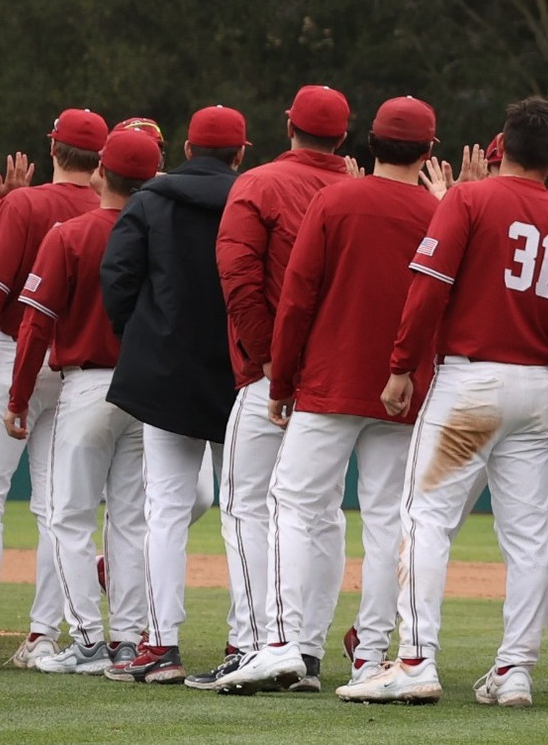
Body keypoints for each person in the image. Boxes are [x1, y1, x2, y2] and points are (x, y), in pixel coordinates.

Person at [338, 96, 548, 708]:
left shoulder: (469, 199)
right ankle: (515, 669)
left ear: (503, 143)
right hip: (537, 386)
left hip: (470, 382)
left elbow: (428, 288)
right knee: (529, 537)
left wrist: (398, 366)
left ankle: (415, 659)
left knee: (426, 520)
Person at [213, 97, 439, 695]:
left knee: (293, 504)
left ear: (369, 141)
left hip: (329, 380)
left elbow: (297, 297)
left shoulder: (335, 200)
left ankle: (285, 644)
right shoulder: (438, 211)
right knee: (389, 520)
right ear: (429, 150)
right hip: (404, 390)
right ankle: (369, 658)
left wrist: (280, 379)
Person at [0, 109, 107, 669]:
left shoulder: (25, 203)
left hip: (16, 354)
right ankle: (42, 634)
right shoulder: (112, 210)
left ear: (51, 148)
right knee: (57, 506)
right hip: (76, 367)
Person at [199, 86, 351, 689]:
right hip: (339, 379)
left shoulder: (260, 183)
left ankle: (254, 644)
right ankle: (307, 650)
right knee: (322, 513)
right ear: (342, 138)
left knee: (244, 506)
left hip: (276, 378)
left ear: (289, 128)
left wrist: (267, 362)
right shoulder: (356, 187)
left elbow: (237, 276)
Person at [7, 128, 165, 675]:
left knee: (68, 517)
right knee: (130, 520)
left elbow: (34, 324)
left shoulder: (70, 233)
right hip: (148, 388)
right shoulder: (162, 236)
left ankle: (89, 642)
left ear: (102, 169)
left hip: (88, 384)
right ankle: (126, 640)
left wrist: (18, 395)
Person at [99, 105, 248, 683]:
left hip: (166, 372)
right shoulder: (250, 196)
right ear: (240, 152)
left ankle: (160, 646)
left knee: (162, 509)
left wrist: (141, 336)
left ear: (186, 148)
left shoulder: (150, 200)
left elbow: (118, 280)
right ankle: (246, 644)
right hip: (240, 371)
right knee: (244, 511)